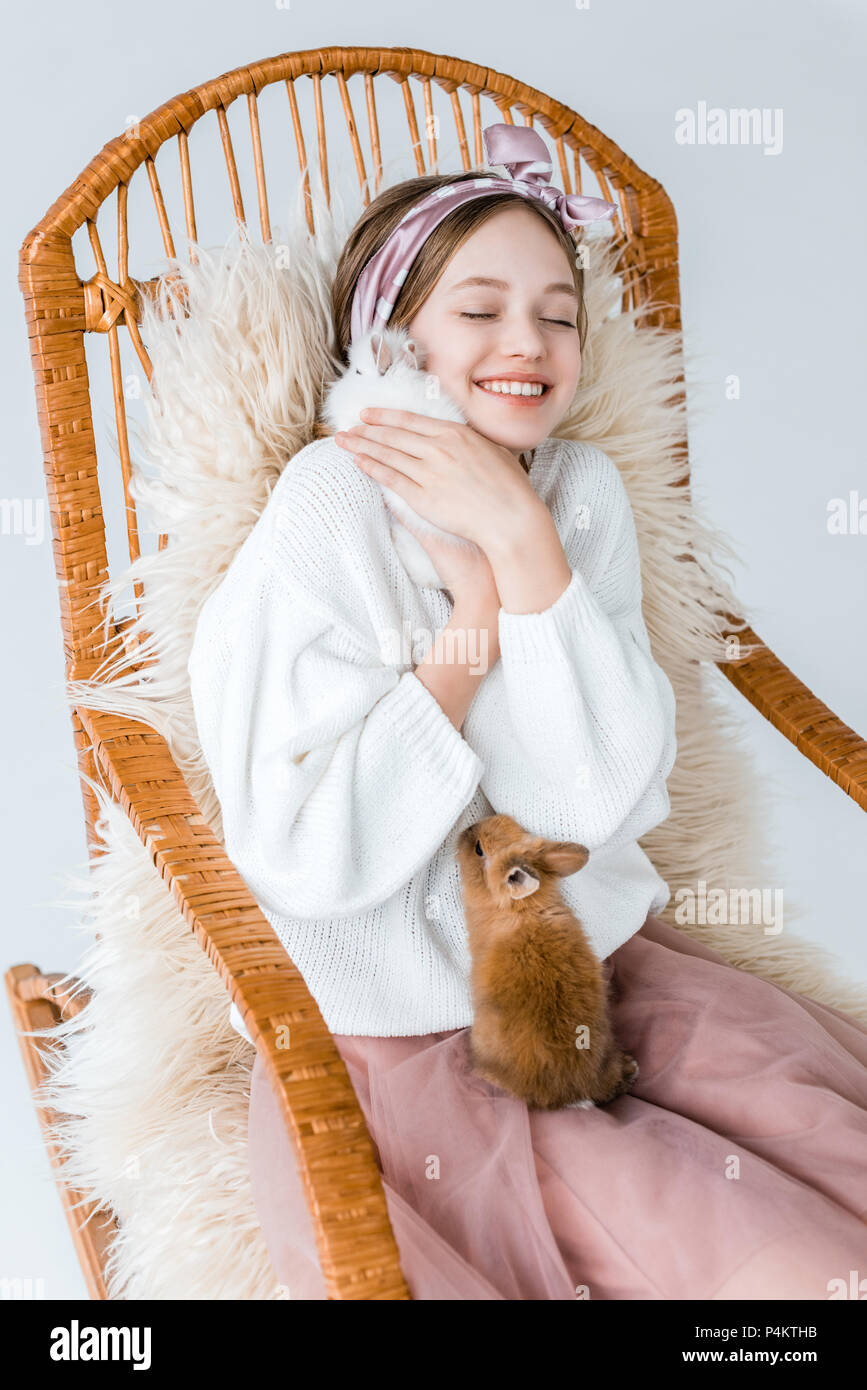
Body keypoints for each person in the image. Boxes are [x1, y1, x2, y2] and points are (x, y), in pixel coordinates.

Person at [188, 124, 867, 1300]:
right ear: (393, 346)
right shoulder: (323, 515)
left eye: (558, 314)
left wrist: (522, 540)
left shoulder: (577, 495)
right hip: (402, 1035)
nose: (529, 344)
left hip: (602, 969)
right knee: (787, 1273)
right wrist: (474, 621)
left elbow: (595, 803)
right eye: (481, 310)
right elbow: (304, 848)